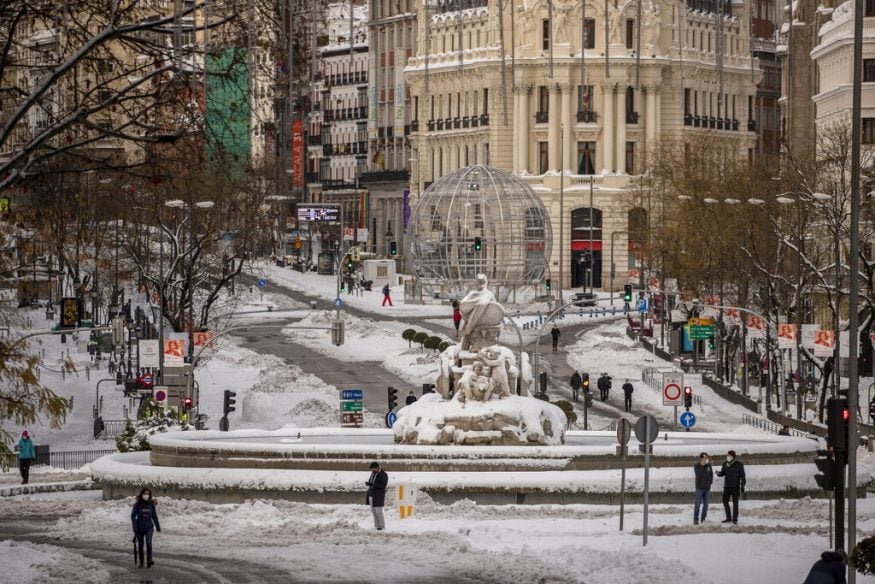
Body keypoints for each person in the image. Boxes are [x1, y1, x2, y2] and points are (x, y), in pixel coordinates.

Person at [131, 487, 161, 568]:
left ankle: (149, 561)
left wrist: (158, 526)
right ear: (142, 494)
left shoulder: (151, 504)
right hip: (139, 528)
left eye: (148, 494)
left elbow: (154, 516)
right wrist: (135, 526)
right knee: (141, 545)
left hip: (149, 527)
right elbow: (133, 516)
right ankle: (141, 562)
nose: (146, 495)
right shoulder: (137, 504)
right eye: (145, 493)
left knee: (149, 543)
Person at [716, 449, 746, 525]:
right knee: (725, 501)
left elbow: (743, 476)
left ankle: (735, 519)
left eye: (729, 455)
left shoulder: (739, 464)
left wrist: (742, 485)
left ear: (733, 456)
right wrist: (718, 473)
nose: (728, 457)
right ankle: (728, 517)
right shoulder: (725, 464)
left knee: (735, 503)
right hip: (727, 487)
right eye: (727, 455)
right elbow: (723, 473)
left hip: (735, 487)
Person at [365, 461, 388, 531]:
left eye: (373, 469)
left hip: (378, 495)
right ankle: (377, 526)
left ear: (377, 468)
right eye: (371, 469)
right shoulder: (373, 473)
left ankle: (382, 526)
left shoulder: (383, 475)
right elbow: (371, 481)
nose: (372, 470)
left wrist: (373, 485)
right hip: (371, 495)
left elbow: (383, 485)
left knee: (379, 511)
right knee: (373, 511)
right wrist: (369, 483)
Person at [693, 452, 713, 525]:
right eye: (705, 458)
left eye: (707, 458)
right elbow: (698, 475)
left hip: (707, 488)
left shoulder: (709, 465)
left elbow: (711, 474)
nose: (706, 459)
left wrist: (710, 482)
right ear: (701, 458)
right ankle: (696, 519)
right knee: (697, 504)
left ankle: (703, 519)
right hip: (699, 488)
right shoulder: (696, 466)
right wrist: (701, 466)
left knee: (706, 504)